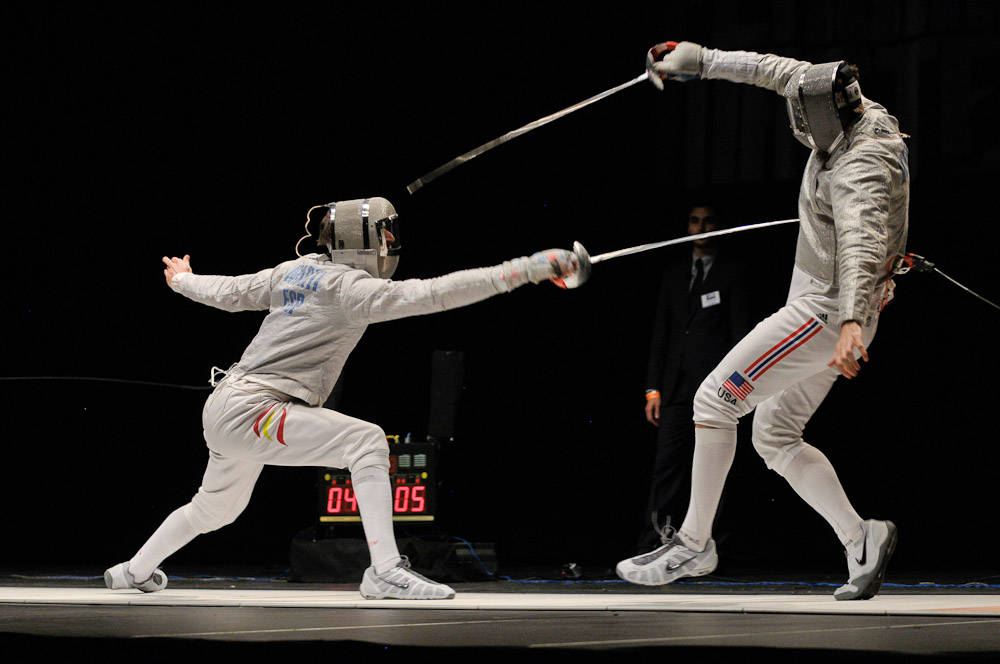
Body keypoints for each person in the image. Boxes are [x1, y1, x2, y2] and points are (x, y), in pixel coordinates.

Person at [104, 196, 579, 599]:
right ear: (361, 238)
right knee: (366, 441)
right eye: (385, 235)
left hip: (228, 406)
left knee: (216, 509)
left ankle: (132, 573)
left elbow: (228, 292)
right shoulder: (351, 288)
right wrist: (526, 270)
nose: (391, 244)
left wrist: (182, 281)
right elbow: (434, 294)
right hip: (257, 410)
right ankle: (384, 571)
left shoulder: (293, 271)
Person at [616, 43, 909, 600]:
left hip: (824, 312)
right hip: (838, 310)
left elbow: (862, 242)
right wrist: (697, 59)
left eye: (806, 115)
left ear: (829, 114)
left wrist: (849, 321)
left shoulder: (861, 165)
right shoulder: (841, 97)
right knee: (774, 436)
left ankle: (696, 542)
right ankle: (861, 539)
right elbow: (771, 70)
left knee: (712, 401)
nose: (797, 120)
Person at [637, 203, 753, 556]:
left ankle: (713, 548)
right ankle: (654, 542)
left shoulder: (733, 272)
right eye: (694, 221)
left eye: (708, 221)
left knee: (715, 468)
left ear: (718, 226)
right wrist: (652, 388)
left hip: (716, 390)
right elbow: (662, 333)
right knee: (666, 469)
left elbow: (741, 334)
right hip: (675, 388)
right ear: (687, 227)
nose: (701, 227)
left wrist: (738, 387)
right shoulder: (674, 273)